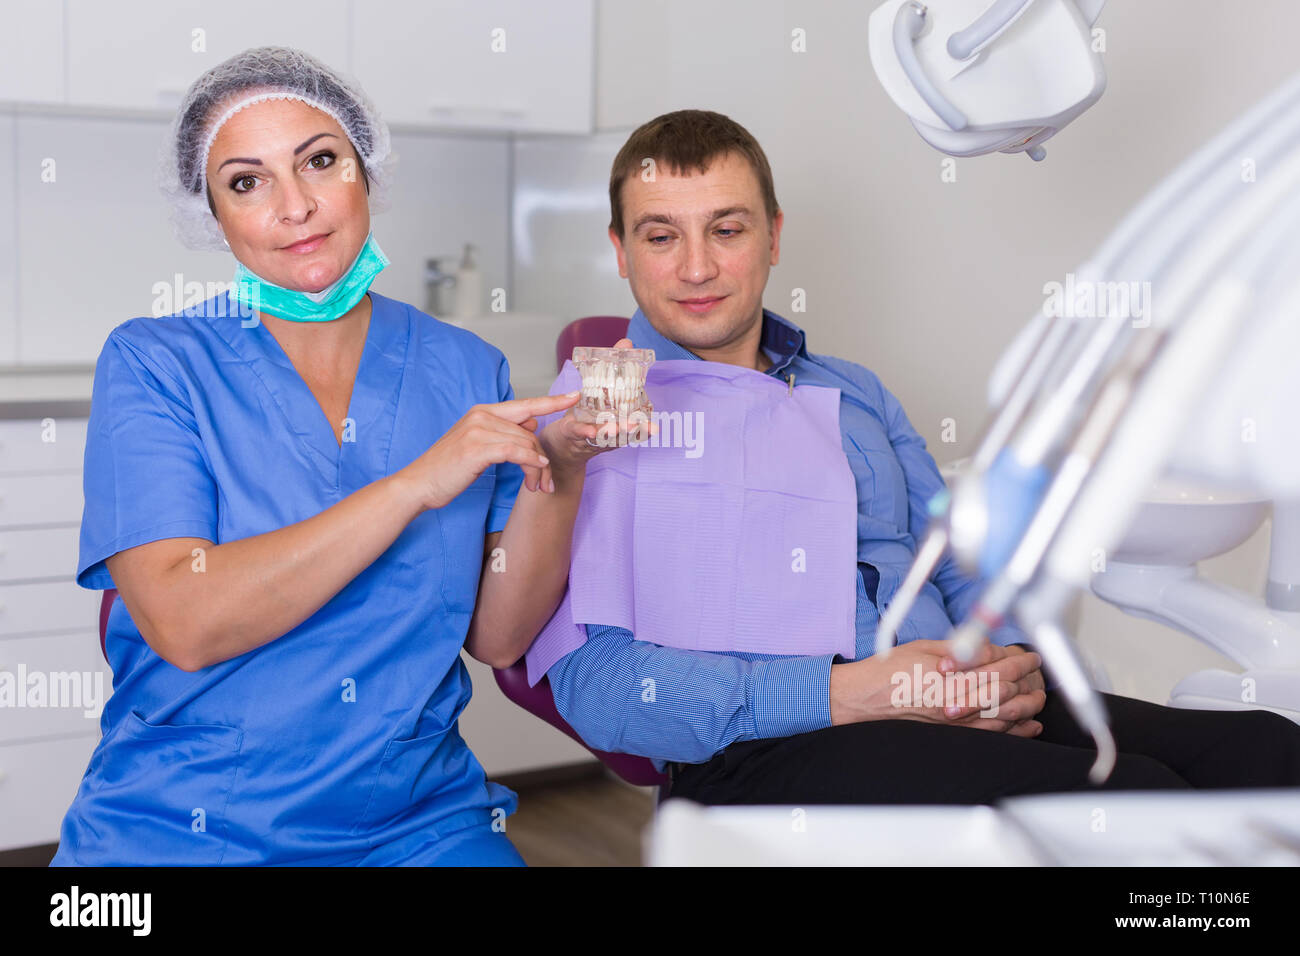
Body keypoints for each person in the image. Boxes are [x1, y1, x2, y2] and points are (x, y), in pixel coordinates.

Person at [536, 109, 1300, 805]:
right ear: (620, 249)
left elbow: (951, 558)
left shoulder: (856, 392)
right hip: (773, 739)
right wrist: (865, 694)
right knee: (1137, 799)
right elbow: (596, 685)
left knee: (1267, 751)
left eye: (727, 230)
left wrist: (1007, 665)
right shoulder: (590, 419)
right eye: (661, 235)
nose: (696, 268)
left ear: (773, 234)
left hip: (952, 689)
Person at [51, 46, 635, 866]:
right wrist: (411, 487)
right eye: (248, 182)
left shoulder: (465, 367)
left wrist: (563, 468)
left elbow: (499, 638)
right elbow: (185, 624)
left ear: (367, 171)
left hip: (416, 823)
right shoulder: (156, 363)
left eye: (320, 161)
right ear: (211, 216)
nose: (296, 207)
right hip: (187, 819)